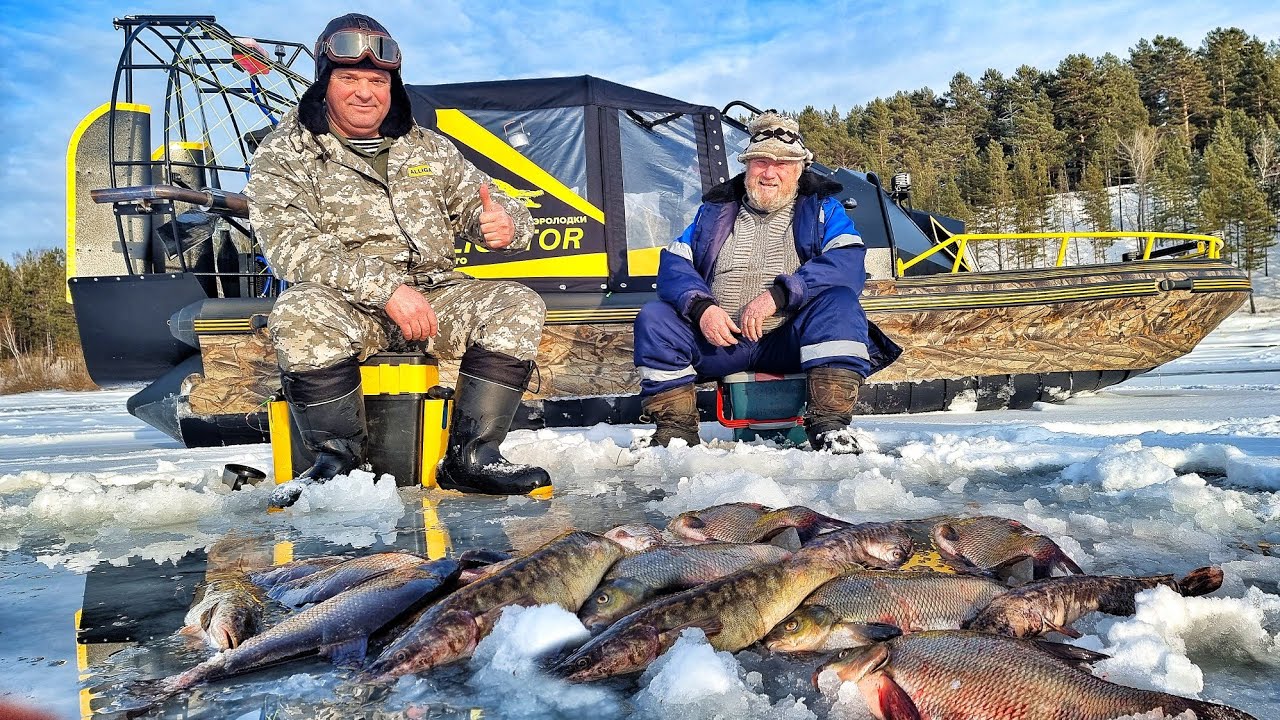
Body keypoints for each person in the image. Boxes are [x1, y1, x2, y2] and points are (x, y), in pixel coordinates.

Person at [246, 13, 551, 506]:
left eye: (377, 80)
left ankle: (472, 458)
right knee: (300, 312)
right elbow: (289, 245)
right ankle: (338, 464)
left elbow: (485, 201)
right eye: (349, 78)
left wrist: (508, 222)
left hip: (434, 298)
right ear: (325, 83)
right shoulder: (286, 150)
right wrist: (385, 290)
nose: (365, 92)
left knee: (515, 303)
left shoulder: (427, 146)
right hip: (349, 306)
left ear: (392, 86)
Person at [632, 112, 900, 452]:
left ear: (800, 169)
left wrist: (779, 295)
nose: (770, 172)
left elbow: (846, 266)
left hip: (789, 341)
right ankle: (676, 434)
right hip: (722, 342)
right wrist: (701, 308)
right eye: (760, 162)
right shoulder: (712, 213)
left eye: (783, 163)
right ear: (746, 167)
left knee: (840, 303)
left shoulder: (824, 211)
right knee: (655, 318)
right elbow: (674, 266)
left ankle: (830, 427)